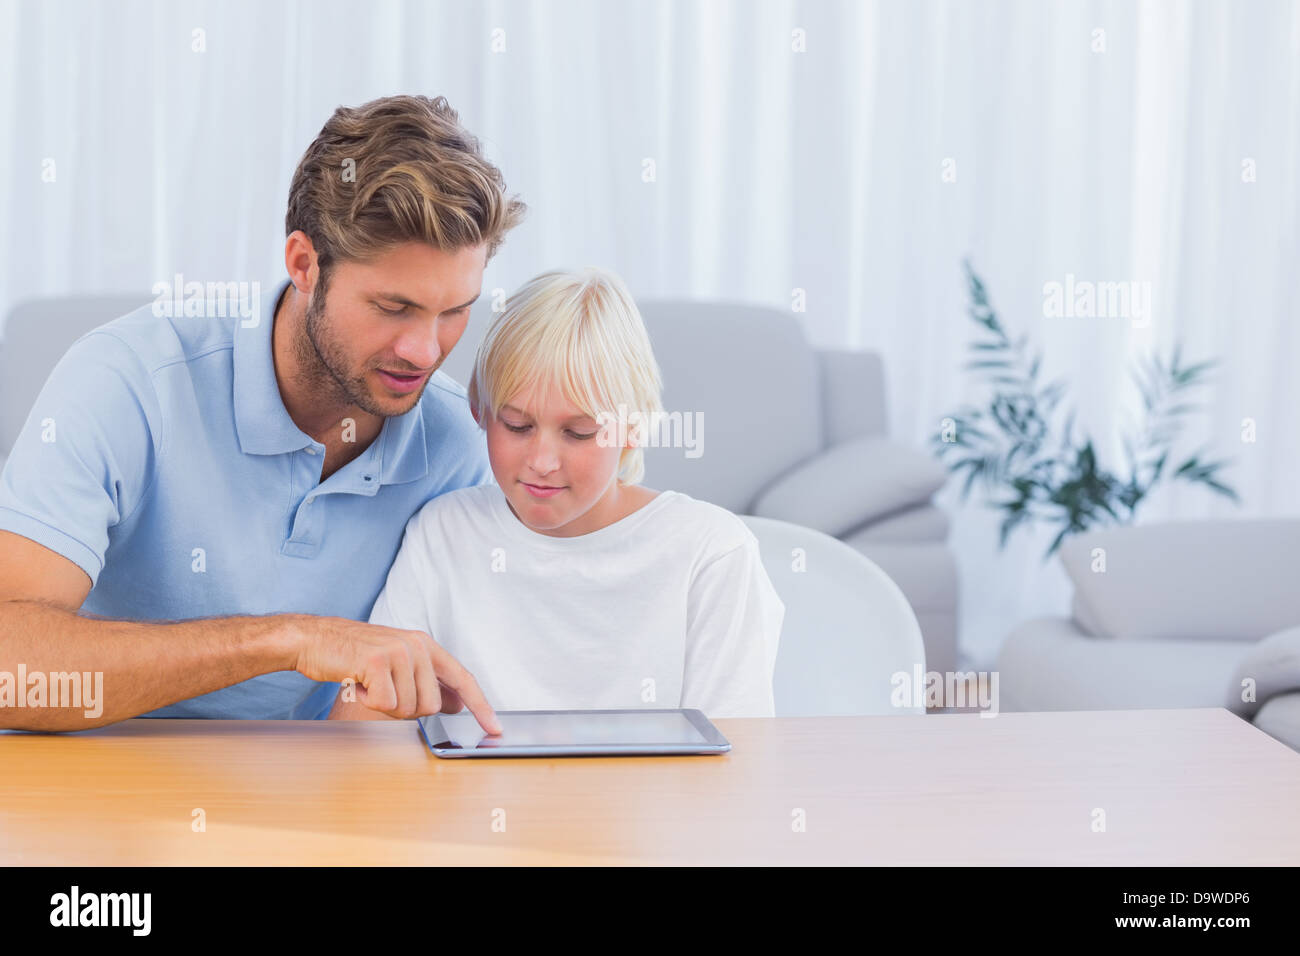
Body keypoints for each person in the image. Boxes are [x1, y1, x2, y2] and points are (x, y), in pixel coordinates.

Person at [0, 94, 521, 732]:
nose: (425, 351)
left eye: (455, 312)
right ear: (304, 264)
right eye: (393, 307)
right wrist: (287, 640)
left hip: (319, 782)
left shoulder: (457, 442)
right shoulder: (129, 381)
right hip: (101, 777)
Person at [329, 267, 783, 721]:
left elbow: (737, 747)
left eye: (579, 432)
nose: (542, 461)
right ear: (480, 412)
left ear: (632, 427)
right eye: (517, 425)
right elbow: (362, 727)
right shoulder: (443, 532)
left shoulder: (709, 552)